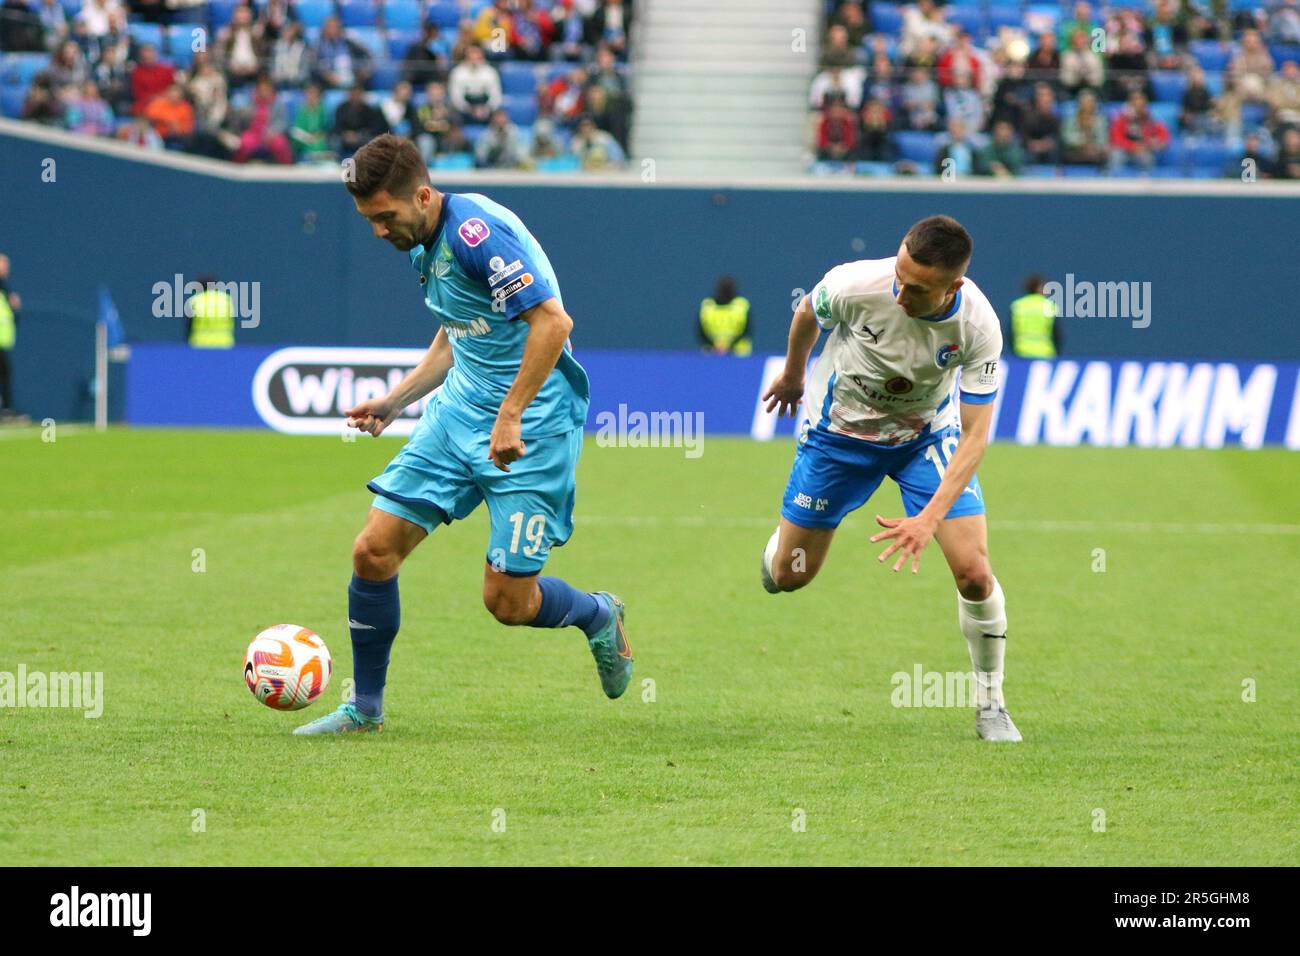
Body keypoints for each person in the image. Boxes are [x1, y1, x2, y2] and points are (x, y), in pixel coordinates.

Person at [293, 134, 632, 735]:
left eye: (384, 217)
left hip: (534, 427)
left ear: (422, 196)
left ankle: (598, 614)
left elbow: (553, 324)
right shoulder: (422, 240)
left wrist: (511, 414)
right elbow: (458, 332)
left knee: (507, 603)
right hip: (456, 417)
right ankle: (365, 708)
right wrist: (397, 400)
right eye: (368, 220)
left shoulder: (477, 236)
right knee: (372, 551)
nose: (377, 231)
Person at [758, 216, 1023, 743]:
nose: (901, 293)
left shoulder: (978, 325)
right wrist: (793, 371)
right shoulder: (857, 283)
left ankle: (991, 703)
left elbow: (974, 438)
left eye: (918, 289)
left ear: (955, 286)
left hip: (925, 438)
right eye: (899, 276)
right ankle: (779, 548)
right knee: (790, 576)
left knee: (973, 571)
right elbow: (809, 311)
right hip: (839, 433)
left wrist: (928, 519)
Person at [1008, 274, 1060, 357]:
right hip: (1045, 354)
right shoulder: (1049, 306)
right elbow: (1057, 334)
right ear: (1039, 288)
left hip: (1021, 352)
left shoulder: (1018, 306)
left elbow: (1010, 333)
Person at [698, 277, 752, 356]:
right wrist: (717, 347)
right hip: (712, 353)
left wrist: (725, 347)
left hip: (738, 354)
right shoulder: (708, 305)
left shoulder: (741, 305)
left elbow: (747, 330)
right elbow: (700, 330)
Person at [0, 254, 23, 418]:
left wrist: (14, 307)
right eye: (3, 264)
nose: (7, 268)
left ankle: (6, 409)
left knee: (5, 373)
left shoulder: (5, 288)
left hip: (3, 340)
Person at [185, 274, 235, 348]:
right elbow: (232, 319)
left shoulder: (194, 301)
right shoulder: (226, 300)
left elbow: (188, 325)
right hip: (224, 344)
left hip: (200, 345)